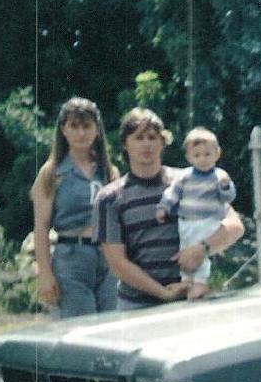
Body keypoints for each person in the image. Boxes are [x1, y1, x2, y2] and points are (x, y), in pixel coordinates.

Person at [95, 108, 244, 310]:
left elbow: (235, 226)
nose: (147, 143)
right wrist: (163, 293)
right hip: (136, 305)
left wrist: (203, 248)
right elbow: (117, 263)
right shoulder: (109, 198)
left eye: (153, 137)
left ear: (162, 142)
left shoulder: (188, 182)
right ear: (125, 144)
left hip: (189, 298)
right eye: (139, 138)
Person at [30, 97, 120, 317]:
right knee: (81, 327)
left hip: (108, 257)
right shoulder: (52, 173)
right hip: (72, 256)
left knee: (113, 326)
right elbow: (41, 226)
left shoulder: (109, 172)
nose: (81, 133)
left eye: (87, 126)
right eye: (74, 126)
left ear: (97, 130)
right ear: (64, 130)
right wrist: (45, 273)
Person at [155, 126, 236, 301]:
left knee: (200, 250)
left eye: (207, 154)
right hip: (186, 220)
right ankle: (186, 281)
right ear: (189, 157)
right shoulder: (184, 176)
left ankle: (200, 281)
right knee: (185, 250)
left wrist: (225, 186)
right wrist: (164, 207)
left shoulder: (219, 175)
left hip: (208, 220)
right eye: (197, 155)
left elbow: (228, 197)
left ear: (217, 153)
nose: (203, 159)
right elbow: (172, 193)